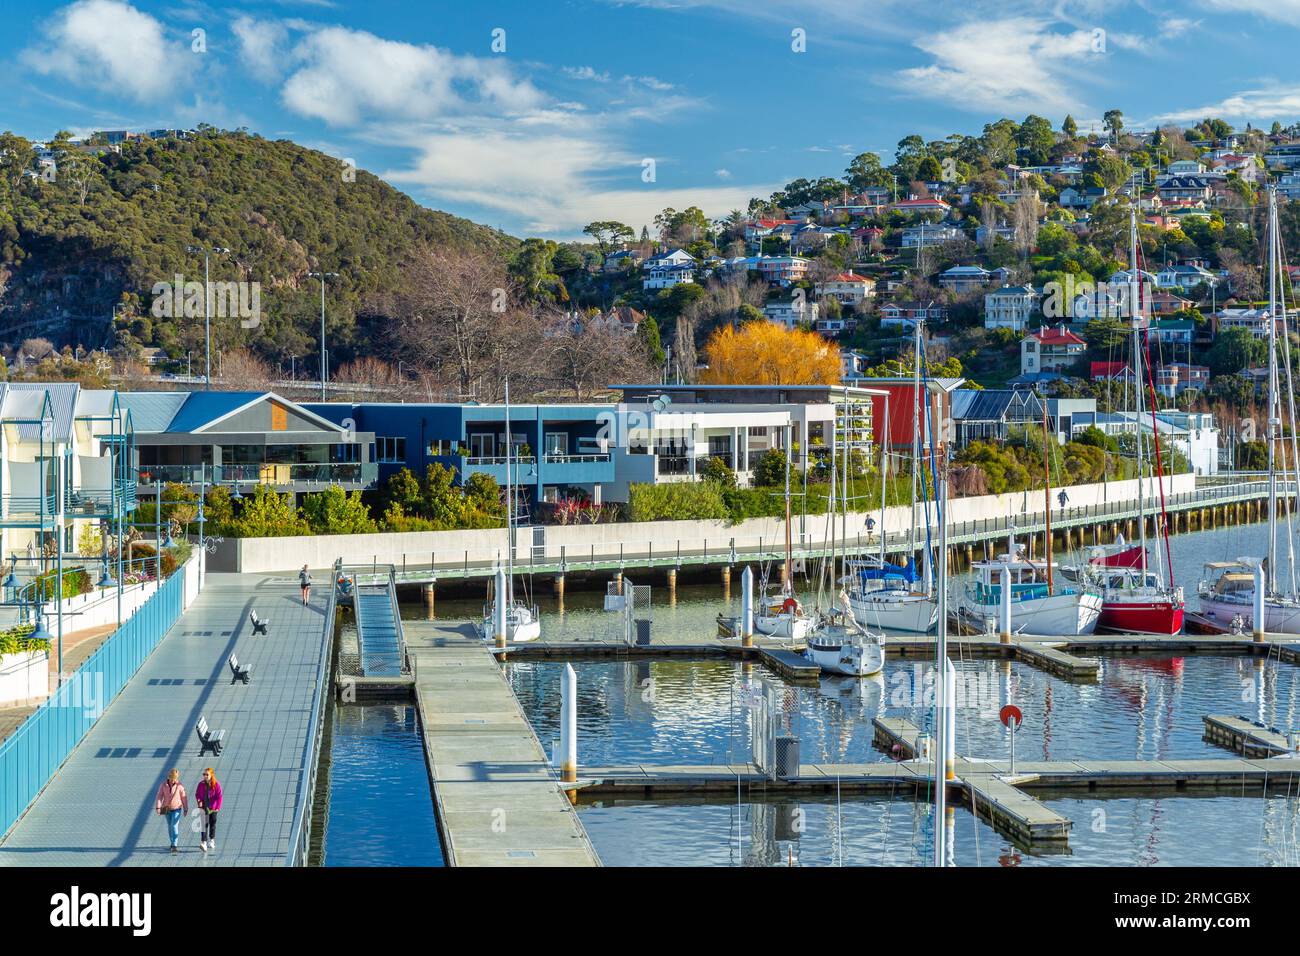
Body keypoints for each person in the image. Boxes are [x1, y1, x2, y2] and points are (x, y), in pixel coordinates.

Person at [154, 769, 188, 853]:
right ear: (169, 777)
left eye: (175, 778)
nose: (173, 779)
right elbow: (159, 796)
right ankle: (172, 842)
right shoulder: (163, 785)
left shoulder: (180, 786)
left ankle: (174, 845)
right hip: (166, 808)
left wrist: (185, 808)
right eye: (172, 778)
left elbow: (184, 797)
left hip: (177, 808)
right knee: (169, 826)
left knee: (174, 826)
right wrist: (158, 807)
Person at [195, 767, 222, 853]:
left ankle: (212, 839)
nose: (205, 776)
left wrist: (217, 807)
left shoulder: (216, 785)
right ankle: (204, 842)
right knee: (204, 825)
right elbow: (197, 794)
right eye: (204, 774)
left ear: (211, 775)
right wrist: (199, 800)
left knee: (212, 824)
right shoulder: (201, 784)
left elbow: (219, 797)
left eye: (207, 774)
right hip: (204, 808)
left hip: (213, 809)